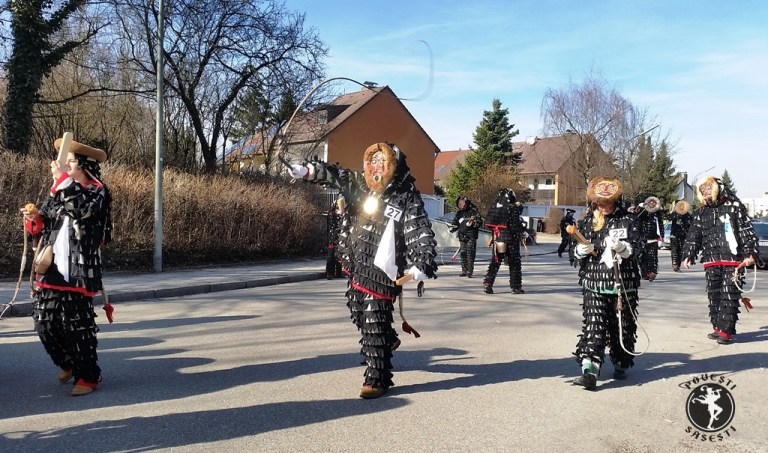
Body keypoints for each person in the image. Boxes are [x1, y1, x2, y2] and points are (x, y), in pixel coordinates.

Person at [287, 142, 438, 399]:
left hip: (382, 269)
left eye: (383, 163)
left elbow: (418, 229)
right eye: (373, 162)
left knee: (372, 318)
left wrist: (421, 261)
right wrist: (306, 171)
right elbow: (335, 174)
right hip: (357, 264)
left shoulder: (406, 197)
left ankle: (376, 378)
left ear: (394, 165)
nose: (377, 168)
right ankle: (386, 337)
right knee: (358, 313)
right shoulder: (360, 185)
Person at [20, 138, 112, 396]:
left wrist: (62, 181)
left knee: (77, 325)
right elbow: (46, 223)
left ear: (84, 166)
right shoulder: (61, 187)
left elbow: (82, 210)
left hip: (79, 267)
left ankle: (88, 375)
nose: (64, 165)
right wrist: (34, 218)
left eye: (70, 162)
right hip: (52, 265)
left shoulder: (97, 191)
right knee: (44, 322)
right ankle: (69, 363)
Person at [571, 177, 642, 390]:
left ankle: (621, 362)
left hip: (623, 284)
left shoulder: (629, 221)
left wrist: (624, 249)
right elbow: (571, 253)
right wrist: (578, 251)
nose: (605, 207)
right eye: (601, 203)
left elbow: (640, 249)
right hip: (594, 282)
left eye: (608, 202)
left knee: (623, 327)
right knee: (594, 326)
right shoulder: (586, 222)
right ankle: (590, 371)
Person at [682, 176, 759, 345]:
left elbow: (746, 229)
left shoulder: (734, 206)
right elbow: (694, 234)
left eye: (708, 188)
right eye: (702, 190)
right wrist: (688, 253)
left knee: (729, 295)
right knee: (714, 294)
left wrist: (750, 254)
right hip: (711, 258)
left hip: (734, 259)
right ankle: (718, 327)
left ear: (716, 188)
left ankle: (726, 331)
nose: (705, 192)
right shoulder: (702, 212)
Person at [482, 188, 525, 294]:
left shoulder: (495, 208)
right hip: (511, 240)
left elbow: (489, 224)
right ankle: (516, 287)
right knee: (515, 263)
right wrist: (522, 233)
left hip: (498, 238)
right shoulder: (512, 208)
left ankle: (488, 284)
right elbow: (515, 225)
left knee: (495, 262)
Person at [449, 196, 483, 277]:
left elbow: (479, 222)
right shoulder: (459, 213)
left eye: (462, 204)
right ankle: (464, 270)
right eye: (459, 204)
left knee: (470, 253)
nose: (460, 205)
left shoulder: (473, 211)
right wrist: (452, 227)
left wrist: (473, 223)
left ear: (466, 204)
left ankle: (469, 271)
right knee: (463, 253)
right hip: (462, 236)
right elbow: (455, 223)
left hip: (471, 236)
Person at [636, 196, 664, 281]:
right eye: (650, 203)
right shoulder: (642, 212)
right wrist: (640, 209)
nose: (652, 204)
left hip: (653, 238)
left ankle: (652, 272)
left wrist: (661, 236)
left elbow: (661, 225)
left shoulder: (657, 214)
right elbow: (636, 218)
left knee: (653, 257)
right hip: (642, 238)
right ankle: (645, 273)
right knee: (642, 257)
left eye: (653, 203)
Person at [668, 200, 693, 272]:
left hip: (684, 235)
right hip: (674, 235)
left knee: (681, 251)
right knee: (674, 250)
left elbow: (691, 223)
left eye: (682, 206)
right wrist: (673, 211)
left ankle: (678, 265)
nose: (681, 207)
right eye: (680, 206)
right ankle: (675, 264)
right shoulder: (675, 214)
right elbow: (669, 217)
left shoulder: (687, 215)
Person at [325, 195, 345, 279]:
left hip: (339, 236)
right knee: (332, 255)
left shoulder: (342, 213)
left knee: (338, 256)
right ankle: (330, 273)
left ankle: (338, 273)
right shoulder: (332, 213)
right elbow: (332, 225)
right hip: (334, 236)